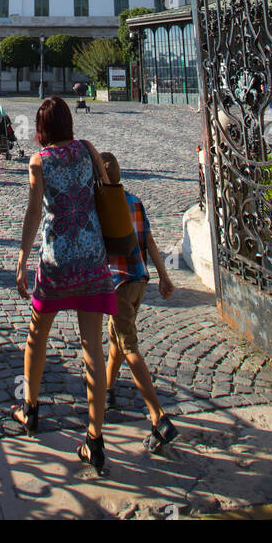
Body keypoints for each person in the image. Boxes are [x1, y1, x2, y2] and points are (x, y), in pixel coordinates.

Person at [13, 97, 117, 475]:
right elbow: (109, 188)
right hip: (92, 258)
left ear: (41, 130)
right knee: (93, 349)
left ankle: (31, 409)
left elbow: (33, 211)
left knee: (37, 335)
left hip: (57, 261)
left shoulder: (39, 162)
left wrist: (23, 260)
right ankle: (95, 439)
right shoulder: (88, 150)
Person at [98, 151, 178, 452]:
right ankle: (107, 389)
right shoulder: (134, 201)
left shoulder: (102, 206)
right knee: (117, 336)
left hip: (118, 284)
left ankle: (158, 417)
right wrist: (164, 276)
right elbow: (150, 241)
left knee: (128, 344)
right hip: (139, 282)